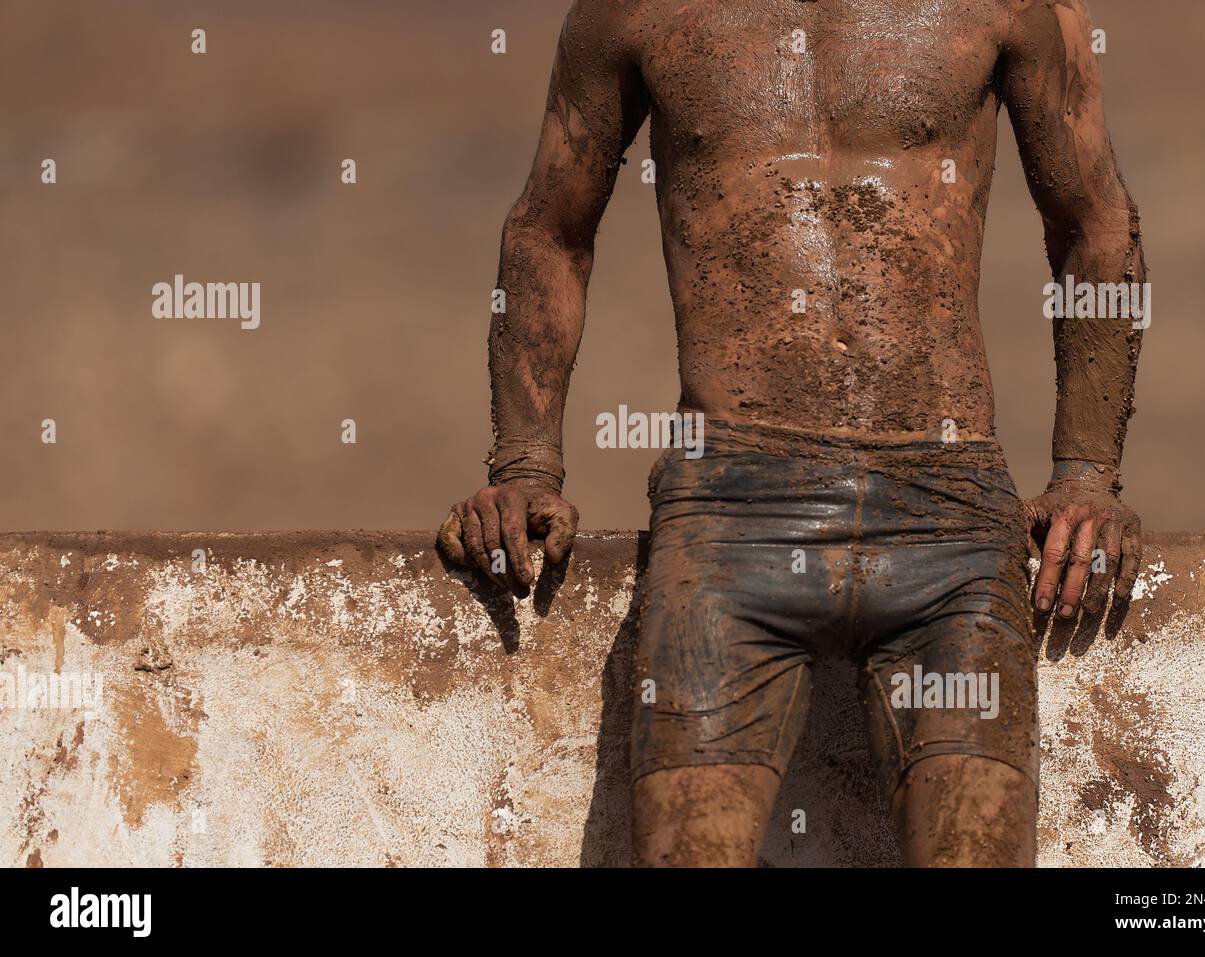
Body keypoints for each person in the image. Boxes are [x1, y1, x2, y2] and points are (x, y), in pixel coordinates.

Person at [439, 0, 1145, 867]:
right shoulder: (634, 12)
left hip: (950, 518)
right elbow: (549, 229)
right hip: (730, 516)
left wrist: (1086, 474)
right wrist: (526, 464)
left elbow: (1095, 223)